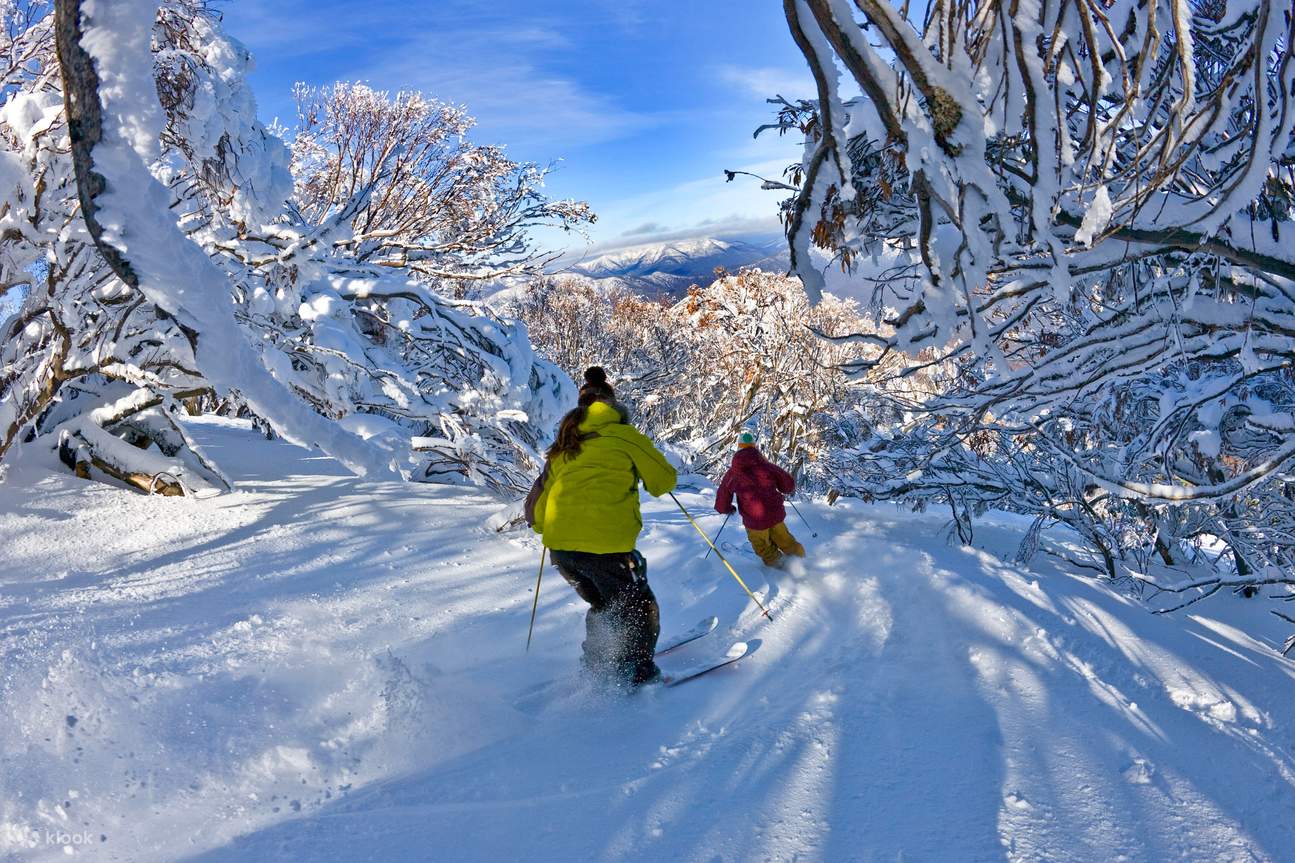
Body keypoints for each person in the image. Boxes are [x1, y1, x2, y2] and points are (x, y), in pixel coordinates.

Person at [528, 367, 677, 687]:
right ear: (612, 405)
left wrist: (549, 529)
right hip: (605, 547)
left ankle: (598, 661)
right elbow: (663, 482)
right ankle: (639, 671)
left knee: (606, 603)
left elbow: (544, 496)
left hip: (562, 550)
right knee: (639, 605)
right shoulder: (625, 436)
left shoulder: (566, 443)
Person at [714, 432, 806, 567]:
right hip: (775, 515)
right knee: (786, 541)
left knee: (763, 547)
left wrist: (726, 508)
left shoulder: (734, 473)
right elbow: (788, 484)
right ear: (754, 447)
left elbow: (723, 493)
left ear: (739, 448)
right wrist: (781, 487)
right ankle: (802, 563)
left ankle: (780, 569)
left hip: (754, 521)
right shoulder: (767, 466)